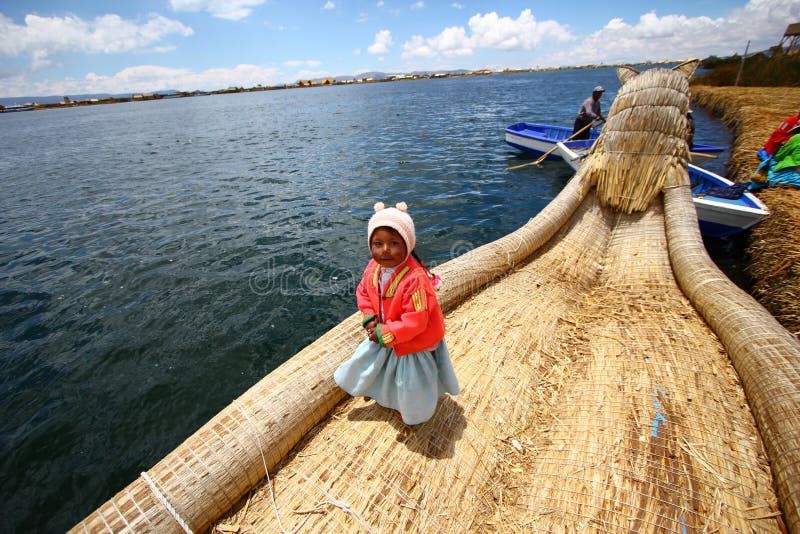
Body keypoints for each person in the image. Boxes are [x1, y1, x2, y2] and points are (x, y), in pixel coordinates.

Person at [334, 201, 460, 426]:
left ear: (408, 244)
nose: (385, 250)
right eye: (378, 243)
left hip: (412, 340)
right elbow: (363, 291)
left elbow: (417, 320)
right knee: (375, 362)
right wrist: (370, 318)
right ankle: (376, 389)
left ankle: (410, 409)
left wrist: (388, 332)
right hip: (385, 329)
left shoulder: (415, 279)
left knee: (409, 380)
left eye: (394, 243)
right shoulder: (373, 267)